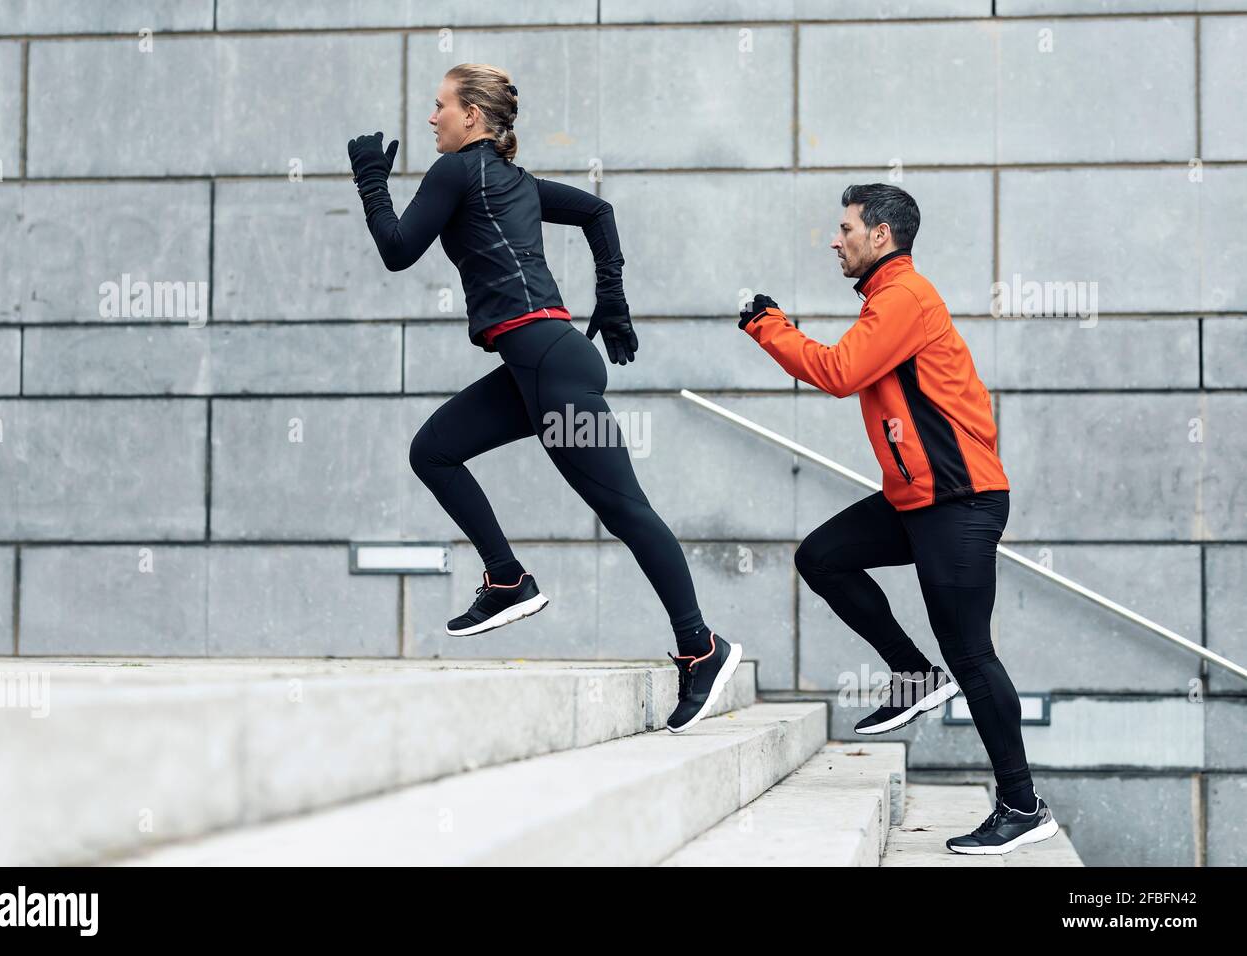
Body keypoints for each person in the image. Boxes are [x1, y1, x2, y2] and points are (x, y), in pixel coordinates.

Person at [347, 63, 741, 733]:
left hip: (551, 369)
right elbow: (597, 211)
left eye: (440, 106)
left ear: (473, 115)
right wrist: (611, 298)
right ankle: (507, 580)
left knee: (626, 510)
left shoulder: (459, 170)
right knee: (434, 450)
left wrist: (370, 184)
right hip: (539, 369)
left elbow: (396, 251)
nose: (432, 118)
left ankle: (701, 647)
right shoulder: (512, 181)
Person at [737, 183, 1059, 854]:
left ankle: (1024, 806)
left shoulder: (905, 298)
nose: (835, 239)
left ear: (879, 236)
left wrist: (768, 324)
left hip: (959, 501)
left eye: (845, 227)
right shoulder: (889, 299)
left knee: (971, 653)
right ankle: (913, 674)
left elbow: (838, 371)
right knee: (821, 557)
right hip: (918, 498)